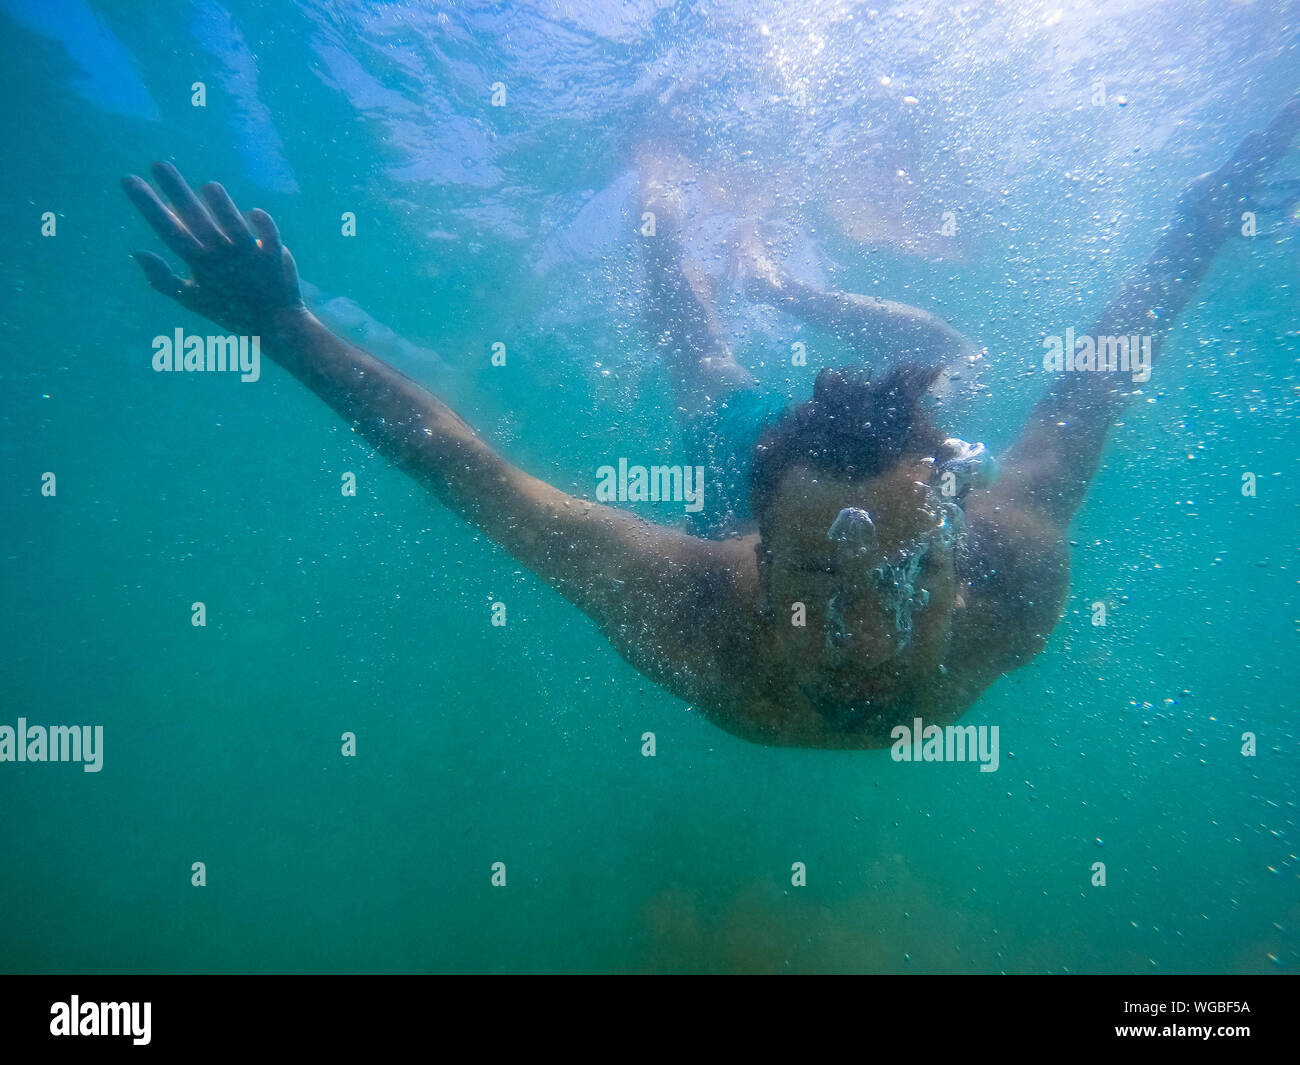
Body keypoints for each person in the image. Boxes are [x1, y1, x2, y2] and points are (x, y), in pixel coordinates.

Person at [121, 95, 1298, 749]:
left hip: (828, 479)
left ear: (956, 550)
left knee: (938, 375)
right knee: (696, 349)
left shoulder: (1015, 572)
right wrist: (290, 332)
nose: (865, 647)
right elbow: (465, 471)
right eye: (817, 592)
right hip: (751, 458)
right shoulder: (686, 597)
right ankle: (661, 192)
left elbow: (1091, 387)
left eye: (900, 582)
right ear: (750, 555)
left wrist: (1203, 217)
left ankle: (756, 264)